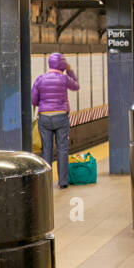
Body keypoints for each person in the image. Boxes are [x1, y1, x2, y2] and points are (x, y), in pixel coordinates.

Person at [32, 52, 79, 189]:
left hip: (45, 117)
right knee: (62, 149)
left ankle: (46, 182)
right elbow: (76, 86)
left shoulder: (40, 79)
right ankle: (63, 182)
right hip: (61, 117)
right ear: (62, 64)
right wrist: (70, 71)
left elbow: (34, 100)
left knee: (46, 149)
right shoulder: (64, 79)